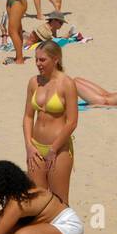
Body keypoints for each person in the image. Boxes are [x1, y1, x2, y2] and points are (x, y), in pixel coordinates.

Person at [24, 40, 79, 205]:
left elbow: (72, 122)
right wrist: (28, 145)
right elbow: (27, 116)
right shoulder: (34, 82)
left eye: (42, 60)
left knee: (59, 202)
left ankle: (64, 231)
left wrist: (54, 149)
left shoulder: (67, 84)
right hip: (35, 148)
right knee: (38, 202)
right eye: (36, 60)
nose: (38, 64)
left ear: (56, 59)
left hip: (59, 148)